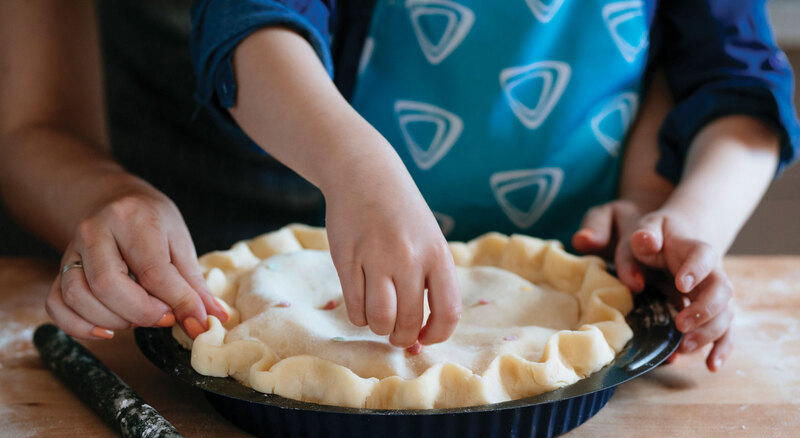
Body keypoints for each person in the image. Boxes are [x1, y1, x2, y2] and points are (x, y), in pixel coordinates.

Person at [0, 2, 797, 374]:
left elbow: (736, 82)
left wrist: (679, 220)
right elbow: (248, 22)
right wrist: (359, 168)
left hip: (583, 288)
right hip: (363, 308)